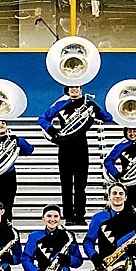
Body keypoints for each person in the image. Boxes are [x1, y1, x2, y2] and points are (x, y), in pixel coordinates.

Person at [40, 84, 109, 225]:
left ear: (81, 89)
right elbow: (42, 119)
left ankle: (80, 217)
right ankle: (69, 217)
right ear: (67, 90)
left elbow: (108, 118)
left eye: (77, 87)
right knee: (66, 185)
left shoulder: (88, 104)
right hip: (65, 146)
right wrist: (51, 129)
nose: (74, 90)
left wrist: (97, 108)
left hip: (81, 147)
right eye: (71, 87)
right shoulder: (60, 104)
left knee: (81, 185)